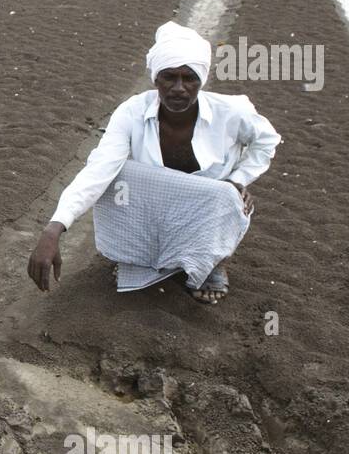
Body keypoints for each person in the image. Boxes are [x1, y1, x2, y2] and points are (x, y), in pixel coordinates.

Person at [27, 21, 281, 304]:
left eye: (189, 78)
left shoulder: (231, 112)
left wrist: (238, 179)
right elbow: (99, 169)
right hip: (156, 203)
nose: (179, 88)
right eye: (169, 77)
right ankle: (143, 257)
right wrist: (54, 228)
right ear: (155, 79)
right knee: (118, 175)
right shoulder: (132, 112)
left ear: (202, 80)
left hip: (205, 205)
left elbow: (266, 141)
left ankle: (212, 262)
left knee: (226, 195)